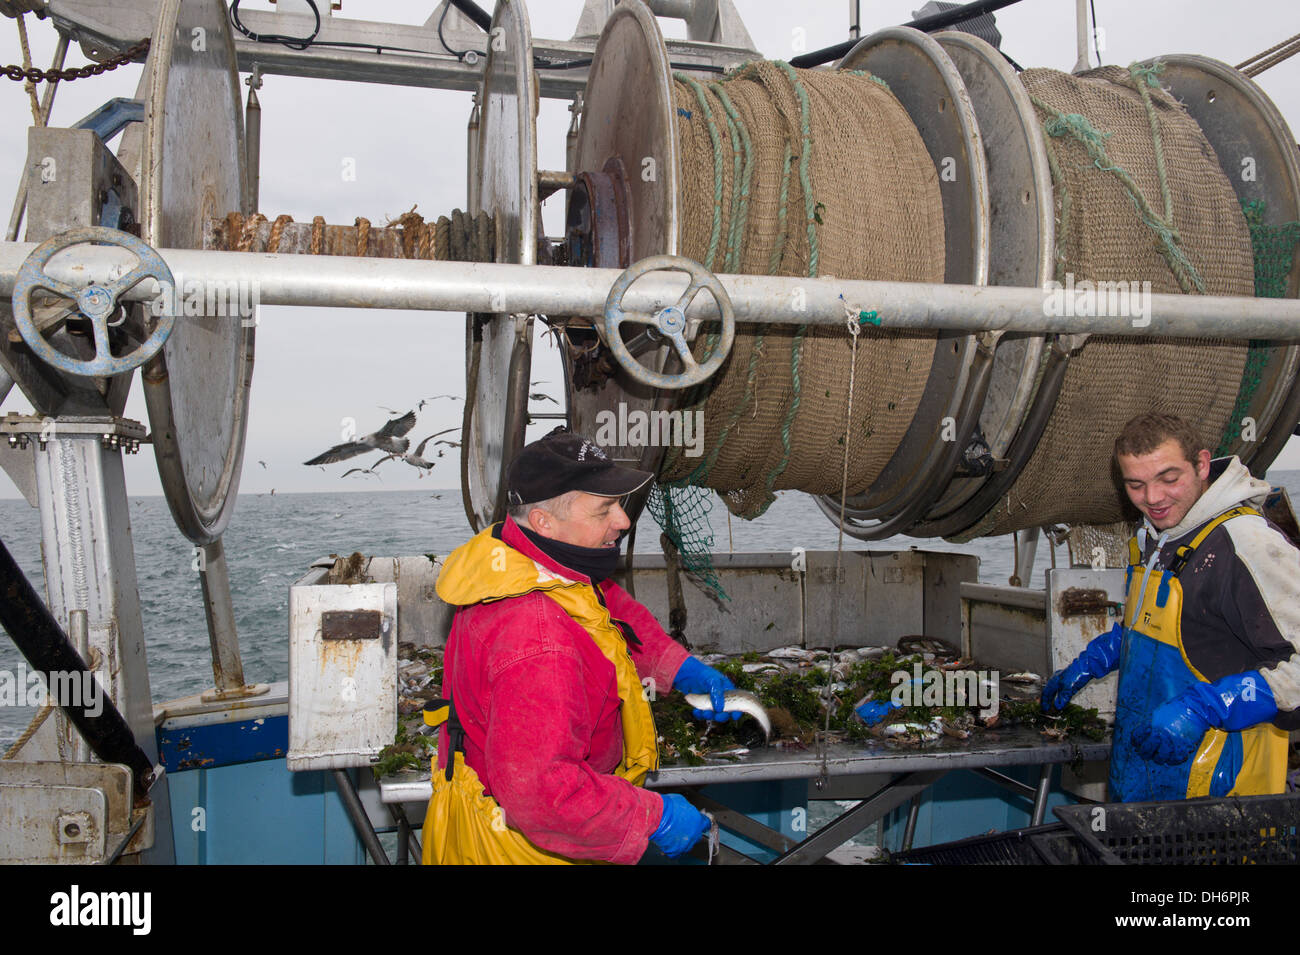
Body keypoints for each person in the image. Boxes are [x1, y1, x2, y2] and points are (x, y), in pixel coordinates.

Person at [421, 427, 741, 864]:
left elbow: (609, 613)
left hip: (479, 806)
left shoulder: (520, 562)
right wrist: (653, 818)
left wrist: (678, 668)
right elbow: (544, 797)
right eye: (603, 509)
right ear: (544, 521)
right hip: (520, 848)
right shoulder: (538, 642)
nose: (624, 522)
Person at [1042, 412, 1300, 801]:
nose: (1153, 499)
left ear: (1201, 464)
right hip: (1143, 777)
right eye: (1136, 484)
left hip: (1222, 794)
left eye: (1169, 478)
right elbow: (1177, 626)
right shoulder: (1160, 537)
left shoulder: (1246, 544)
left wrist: (1208, 706)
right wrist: (1109, 652)